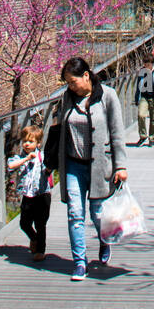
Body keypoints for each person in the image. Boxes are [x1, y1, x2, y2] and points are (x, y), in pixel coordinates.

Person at [57, 57, 127, 280]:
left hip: (99, 165)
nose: (71, 86)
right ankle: (80, 262)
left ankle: (104, 242)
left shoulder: (107, 96)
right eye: (67, 82)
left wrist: (121, 165)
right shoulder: (67, 98)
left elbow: (117, 133)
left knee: (98, 214)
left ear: (86, 76)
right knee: (75, 214)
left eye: (73, 81)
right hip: (73, 165)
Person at [7, 123, 53, 260]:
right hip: (28, 195)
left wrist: (49, 168)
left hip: (42, 194)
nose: (26, 144)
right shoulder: (20, 157)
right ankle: (34, 238)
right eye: (24, 141)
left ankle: (40, 251)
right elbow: (10, 165)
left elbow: (47, 169)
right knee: (24, 223)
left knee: (40, 224)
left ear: (38, 144)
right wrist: (26, 159)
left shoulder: (42, 157)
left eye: (30, 141)